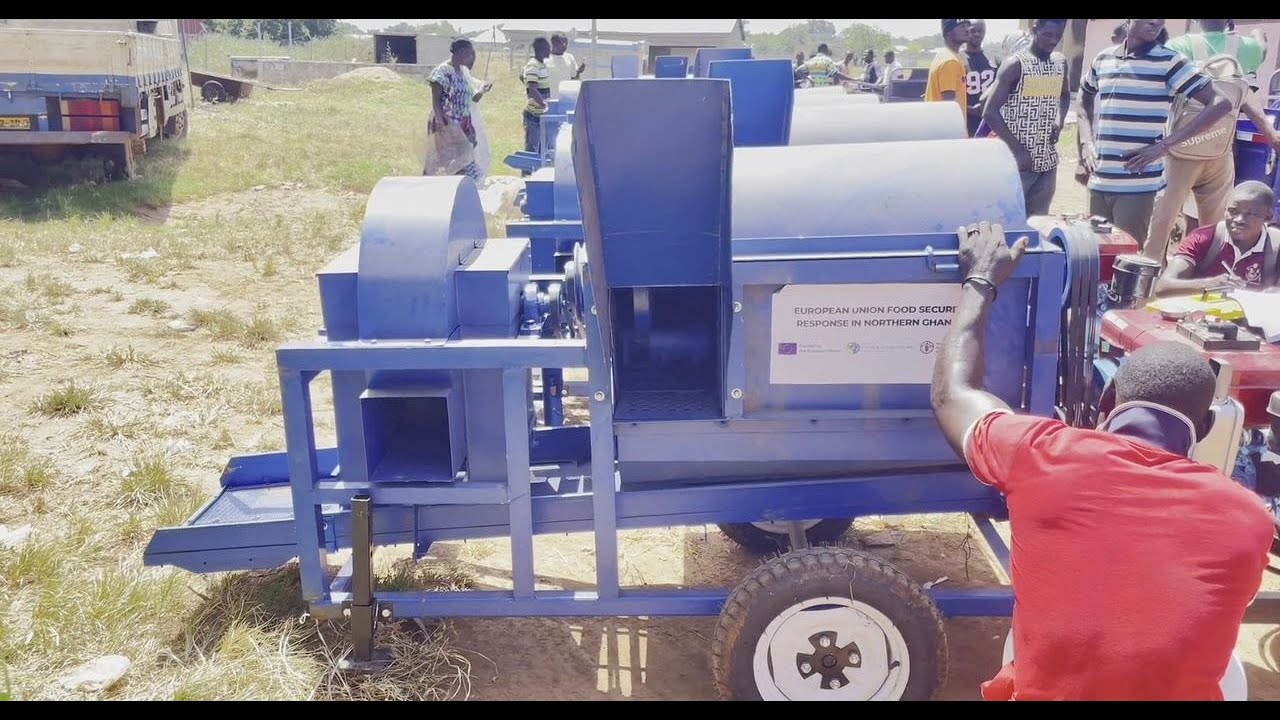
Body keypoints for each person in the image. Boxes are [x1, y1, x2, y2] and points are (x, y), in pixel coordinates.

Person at [931, 219, 1274, 701]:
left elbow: (953, 395)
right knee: (1231, 670)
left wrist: (981, 278)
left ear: (1108, 399)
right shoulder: (1249, 518)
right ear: (1207, 428)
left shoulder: (1042, 454)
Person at [1076, 19, 1233, 246]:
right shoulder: (1103, 59)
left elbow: (1220, 103)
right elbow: (1083, 98)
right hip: (1100, 180)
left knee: (1126, 260)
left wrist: (1165, 146)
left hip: (1137, 184)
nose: (1157, 21)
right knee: (1097, 255)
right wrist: (1086, 143)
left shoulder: (1170, 62)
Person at [1143, 19, 1280, 263]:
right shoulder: (1248, 48)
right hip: (1220, 149)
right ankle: (1205, 277)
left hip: (1179, 150)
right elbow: (1250, 87)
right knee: (1216, 228)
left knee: (1161, 223)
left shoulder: (1179, 46)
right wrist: (1259, 34)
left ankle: (1147, 282)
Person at [982, 19, 1071, 216]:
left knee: (1039, 222)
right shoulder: (1015, 65)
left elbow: (1064, 95)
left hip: (1047, 162)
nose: (1053, 41)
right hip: (1017, 164)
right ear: (1034, 29)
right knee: (1009, 219)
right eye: (1048, 35)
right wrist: (1019, 151)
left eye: (1058, 37)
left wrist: (1059, 120)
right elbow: (990, 112)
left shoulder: (1060, 62)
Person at [1152, 180, 1279, 297]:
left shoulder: (1276, 247)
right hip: (1199, 317)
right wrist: (1210, 284)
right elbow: (1162, 288)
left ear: (1267, 217)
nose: (1239, 220)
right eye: (1233, 211)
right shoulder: (1204, 238)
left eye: (1250, 214)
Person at [426, 38, 483, 182]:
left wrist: (469, 127)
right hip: (445, 122)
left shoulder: (463, 71)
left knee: (463, 156)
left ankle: (462, 186)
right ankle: (432, 185)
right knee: (445, 159)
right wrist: (443, 124)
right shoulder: (443, 71)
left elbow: (467, 99)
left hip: (461, 123)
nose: (471, 58)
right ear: (461, 52)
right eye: (470, 54)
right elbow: (436, 101)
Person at [926, 20, 971, 115]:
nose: (967, 30)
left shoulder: (947, 55)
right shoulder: (950, 61)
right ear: (949, 32)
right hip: (947, 126)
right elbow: (948, 106)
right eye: (962, 26)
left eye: (967, 25)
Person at [460, 51, 493, 183]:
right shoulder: (460, 72)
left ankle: (477, 178)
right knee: (478, 150)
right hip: (468, 118)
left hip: (471, 116)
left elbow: (473, 82)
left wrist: (483, 84)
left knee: (480, 149)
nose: (472, 63)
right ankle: (475, 180)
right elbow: (474, 98)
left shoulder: (464, 72)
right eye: (471, 59)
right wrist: (482, 90)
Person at [961, 19, 998, 137]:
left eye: (980, 31)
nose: (977, 34)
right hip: (966, 121)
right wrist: (969, 109)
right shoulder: (958, 59)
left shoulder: (994, 59)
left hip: (989, 122)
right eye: (973, 31)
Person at [521, 37, 552, 158]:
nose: (550, 50)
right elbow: (532, 89)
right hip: (534, 117)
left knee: (542, 150)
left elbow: (522, 76)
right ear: (542, 49)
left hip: (541, 115)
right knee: (531, 151)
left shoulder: (541, 65)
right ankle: (527, 176)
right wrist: (545, 105)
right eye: (548, 47)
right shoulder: (533, 65)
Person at [546, 32, 586, 102]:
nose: (565, 46)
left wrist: (579, 71)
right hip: (548, 102)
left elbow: (574, 77)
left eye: (566, 43)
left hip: (565, 101)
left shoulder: (569, 57)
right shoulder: (544, 59)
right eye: (562, 43)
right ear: (554, 44)